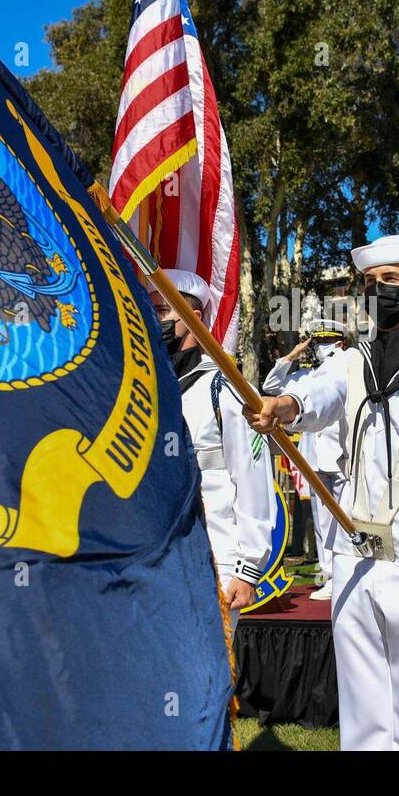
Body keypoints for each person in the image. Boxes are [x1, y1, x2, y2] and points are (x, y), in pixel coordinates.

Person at [243, 235, 399, 751]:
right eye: (370, 284)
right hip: (354, 561)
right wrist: (283, 406)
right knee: (362, 719)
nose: (377, 292)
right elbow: (316, 393)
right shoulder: (349, 363)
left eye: (391, 283)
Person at [152, 269, 274, 631]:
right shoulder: (146, 388)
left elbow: (253, 481)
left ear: (193, 318)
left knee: (210, 676)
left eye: (163, 311)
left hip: (214, 557)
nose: (154, 320)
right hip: (154, 561)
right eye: (152, 310)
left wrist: (248, 568)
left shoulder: (226, 388)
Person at [261, 318, 351, 600]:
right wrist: (292, 355)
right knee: (322, 520)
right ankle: (329, 575)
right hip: (315, 458)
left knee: (345, 518)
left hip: (341, 456)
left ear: (340, 343)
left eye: (325, 342)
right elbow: (271, 386)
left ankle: (346, 573)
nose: (320, 347)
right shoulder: (306, 376)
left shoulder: (347, 367)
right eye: (316, 342)